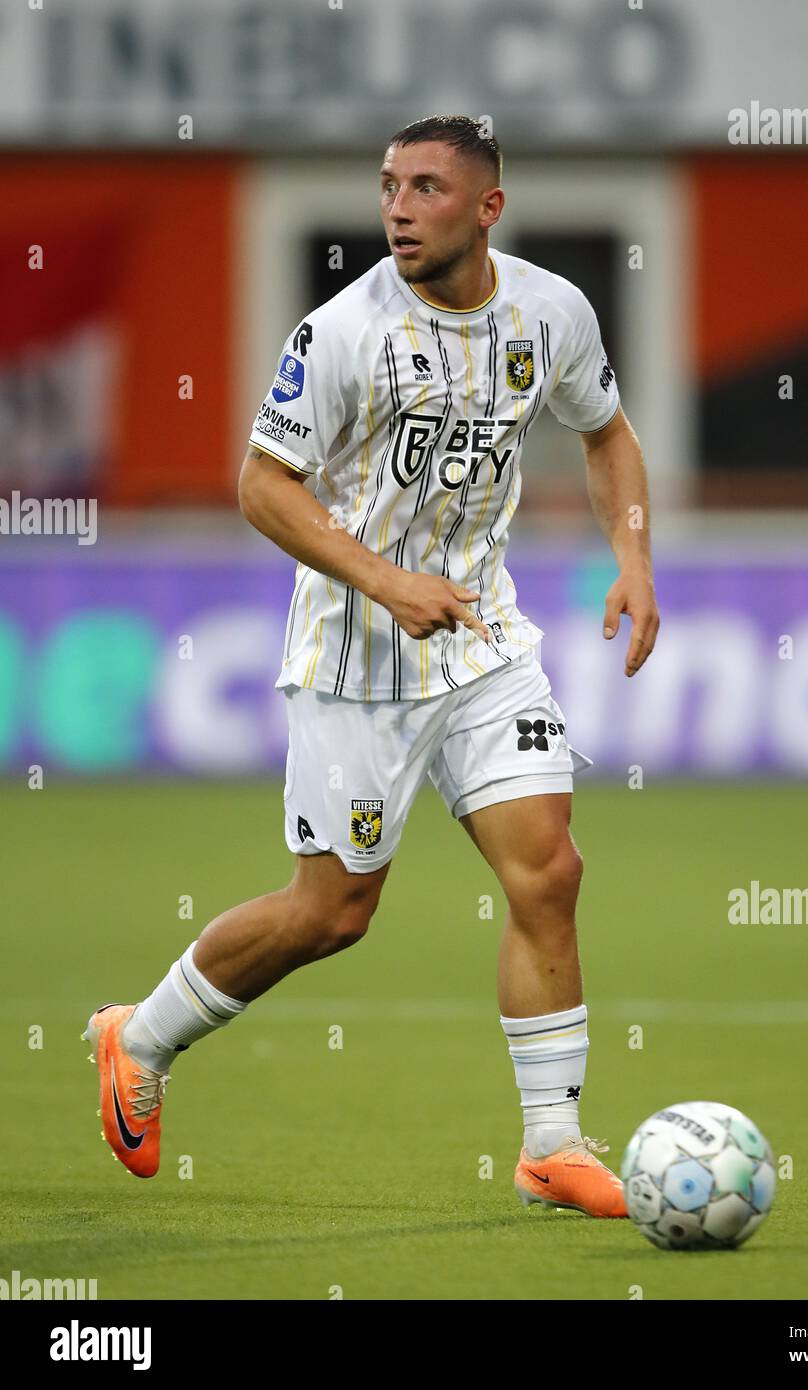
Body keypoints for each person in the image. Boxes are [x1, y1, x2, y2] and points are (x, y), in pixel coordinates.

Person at [84, 114, 659, 1217]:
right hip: (355, 658)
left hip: (484, 640)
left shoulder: (552, 313)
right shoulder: (342, 332)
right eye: (388, 183)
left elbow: (606, 431)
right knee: (332, 914)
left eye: (426, 187)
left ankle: (549, 1140)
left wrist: (630, 559)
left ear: (486, 208)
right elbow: (262, 486)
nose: (396, 205)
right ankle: (138, 1036)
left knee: (550, 870)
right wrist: (387, 582)